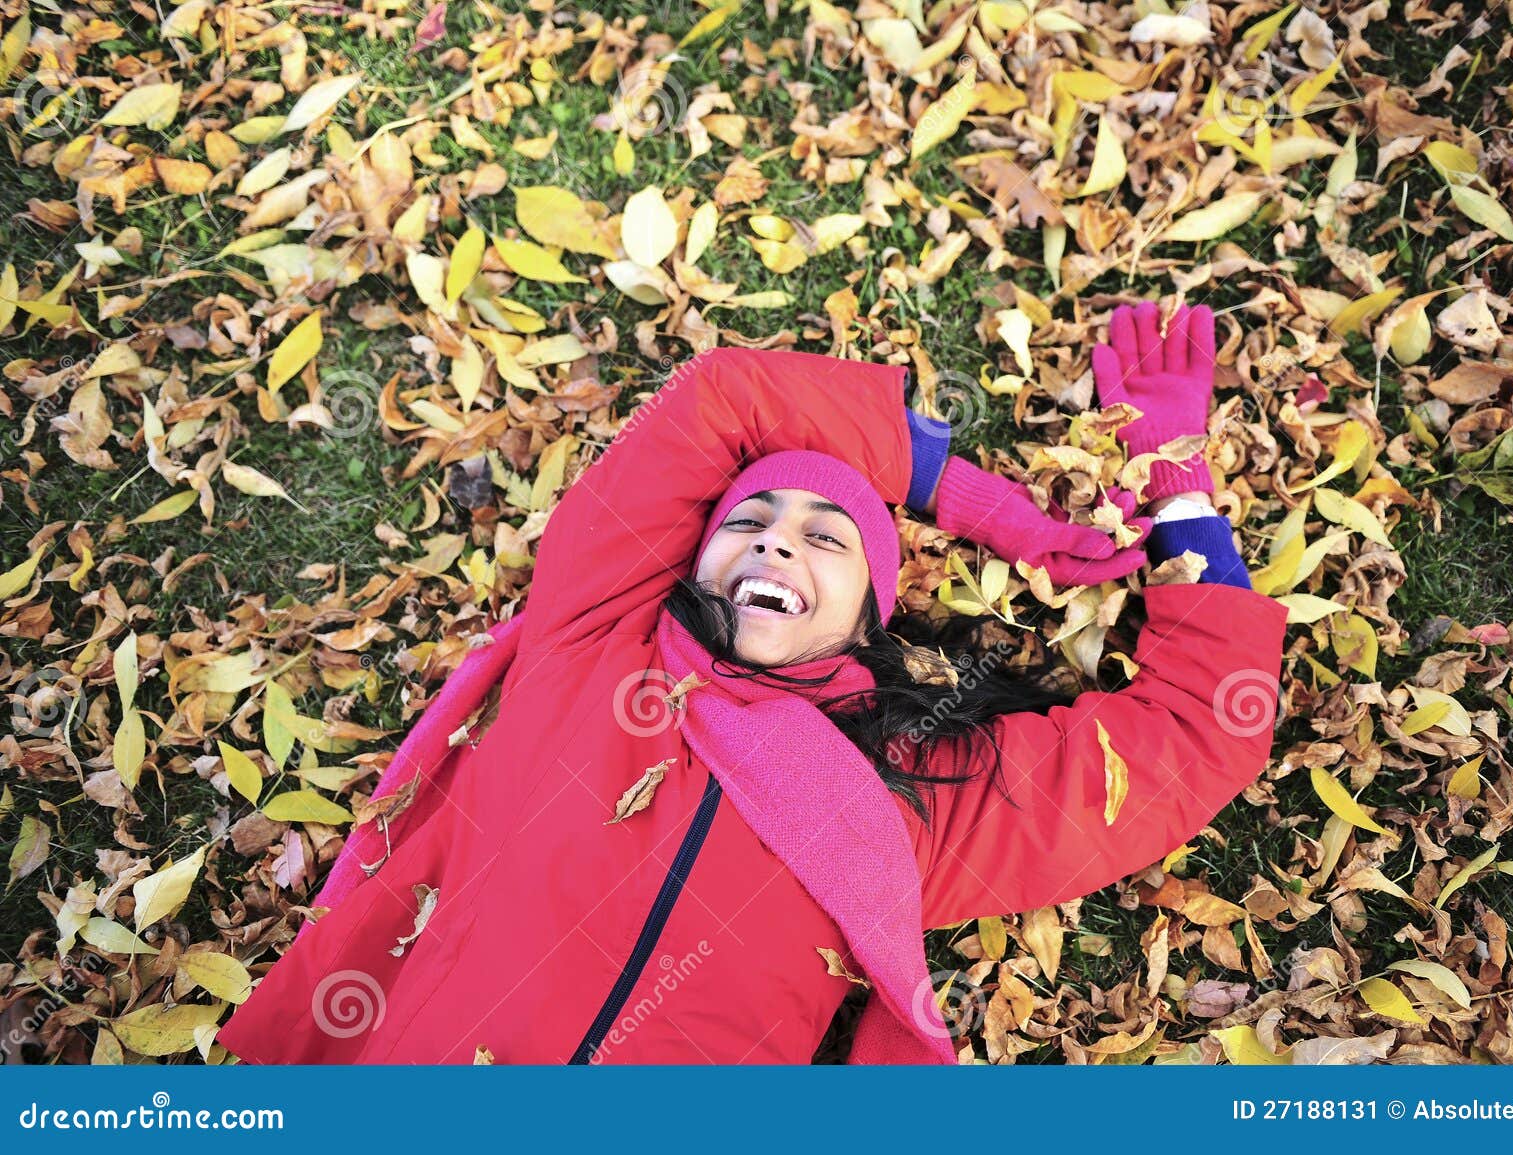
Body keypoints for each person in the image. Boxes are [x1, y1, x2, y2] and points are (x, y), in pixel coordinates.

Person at [215, 301, 1288, 1065]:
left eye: (827, 537)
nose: (775, 547)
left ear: (870, 616)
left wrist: (1174, 489)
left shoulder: (906, 799)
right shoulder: (592, 643)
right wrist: (979, 504)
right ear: (688, 563)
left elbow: (1196, 736)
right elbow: (721, 394)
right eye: (748, 524)